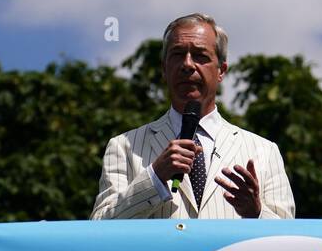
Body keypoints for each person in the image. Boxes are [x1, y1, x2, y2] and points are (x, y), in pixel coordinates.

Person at [91, 13, 296, 220]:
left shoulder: (264, 151)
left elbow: (288, 240)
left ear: (221, 71)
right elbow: (99, 226)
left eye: (200, 56)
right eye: (178, 54)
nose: (187, 65)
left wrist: (256, 212)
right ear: (164, 68)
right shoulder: (123, 147)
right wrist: (155, 177)